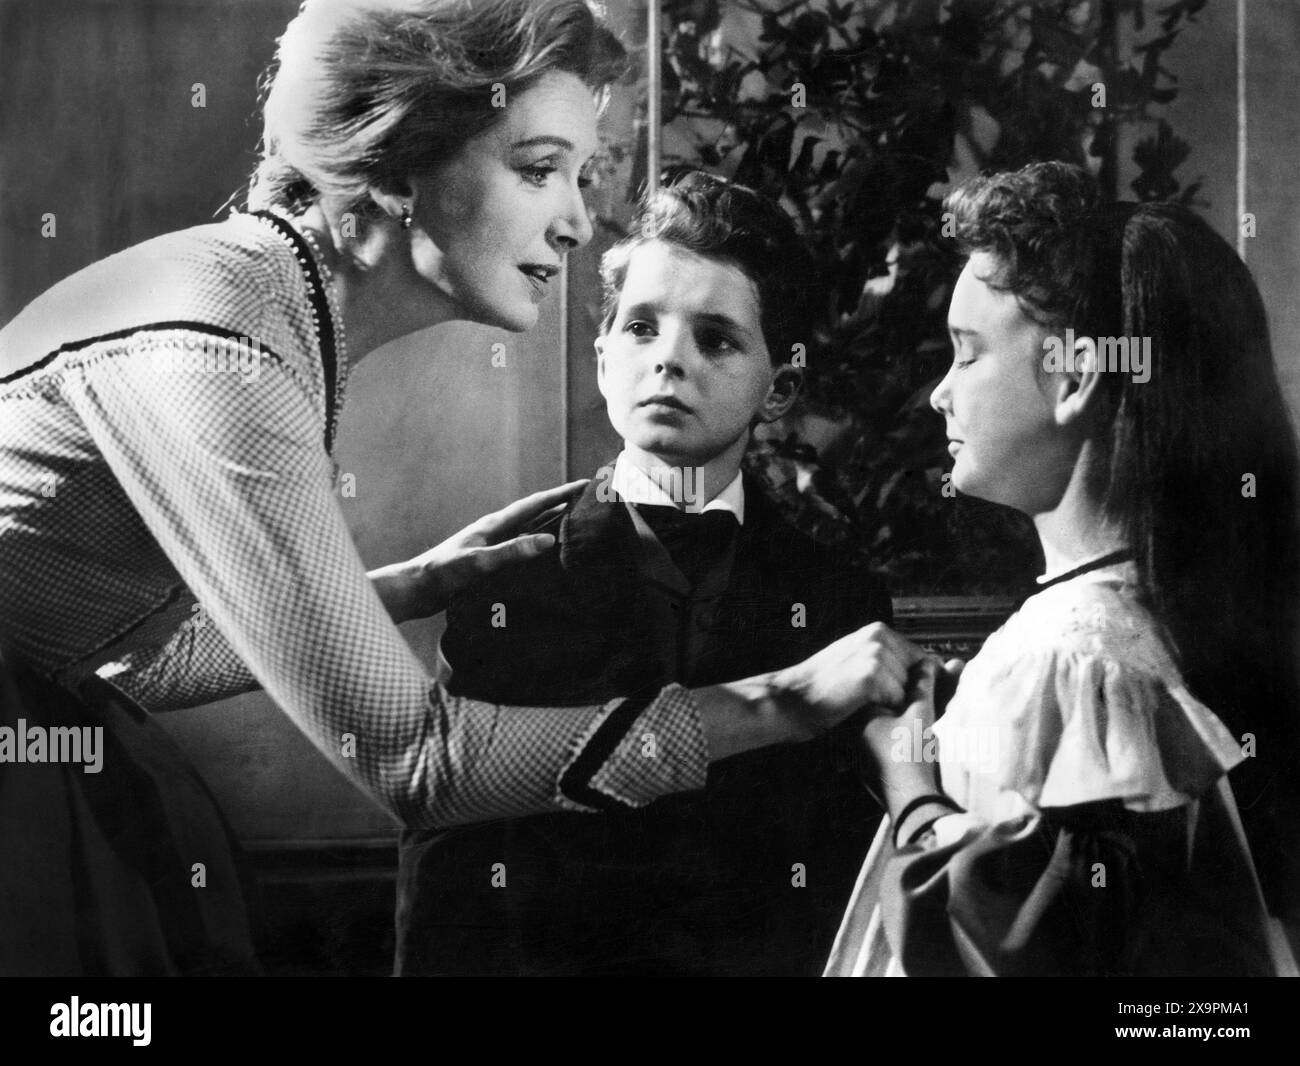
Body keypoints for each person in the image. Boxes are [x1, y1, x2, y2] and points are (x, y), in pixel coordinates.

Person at [0, 0, 921, 977]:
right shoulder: (224, 344)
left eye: (576, 174)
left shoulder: (272, 309)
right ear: (401, 163)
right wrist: (781, 700)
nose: (574, 220)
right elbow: (420, 766)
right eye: (538, 169)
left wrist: (410, 584)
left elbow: (128, 654)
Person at [394, 172, 892, 976]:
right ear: (601, 359)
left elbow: (829, 881)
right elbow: (449, 852)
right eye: (641, 329)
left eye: (717, 339)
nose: (669, 361)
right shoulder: (507, 578)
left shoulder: (838, 598)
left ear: (780, 388)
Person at [826, 161, 1300, 977]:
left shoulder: (1069, 664)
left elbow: (1013, 954)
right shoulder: (1161, 626)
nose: (939, 394)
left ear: (1076, 375)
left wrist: (909, 785)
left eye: (967, 355)